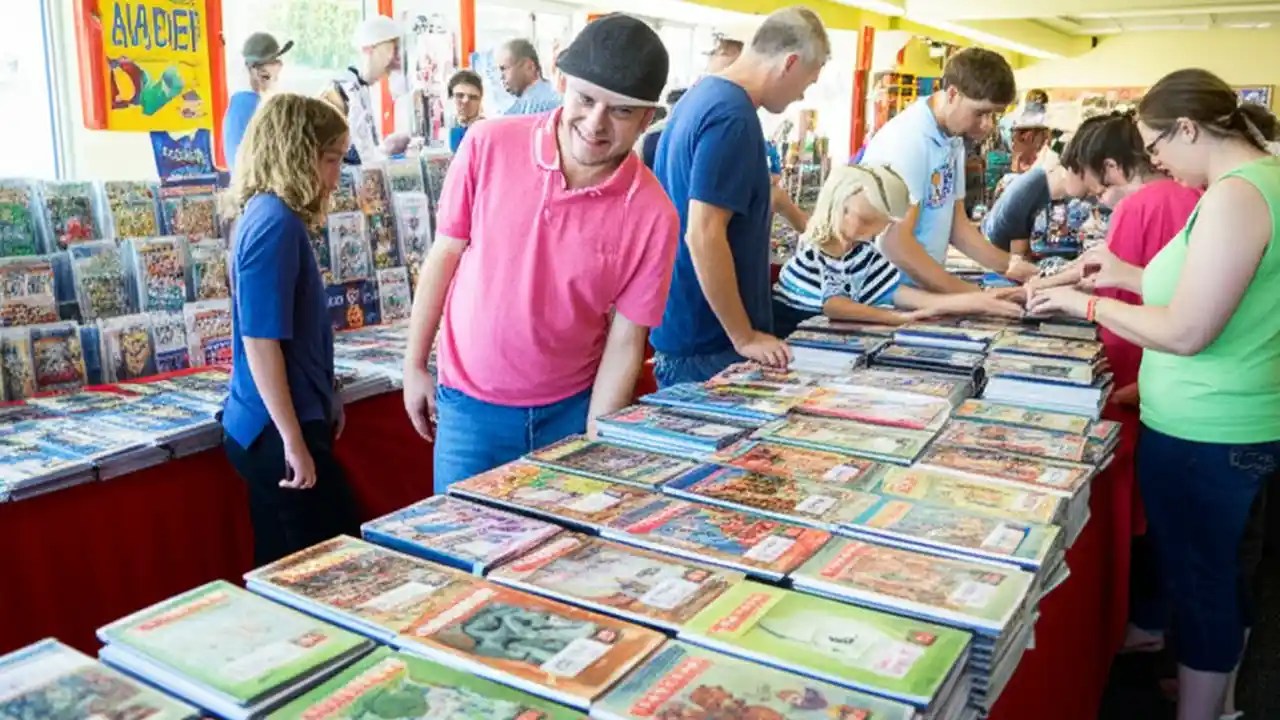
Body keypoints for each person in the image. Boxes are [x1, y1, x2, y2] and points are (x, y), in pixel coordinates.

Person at [1028, 68, 1280, 720]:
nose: (1156, 159)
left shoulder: (1235, 196)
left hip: (1208, 430)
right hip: (1234, 421)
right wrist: (1125, 273)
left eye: (1159, 142)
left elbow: (1189, 327)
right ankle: (1221, 700)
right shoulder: (1256, 185)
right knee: (1223, 578)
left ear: (1190, 127)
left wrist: (1088, 307)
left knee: (1201, 588)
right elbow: (1213, 293)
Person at [401, 14, 679, 493]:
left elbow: (626, 340)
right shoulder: (487, 144)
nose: (595, 124)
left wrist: (597, 440)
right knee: (457, 560)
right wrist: (412, 365)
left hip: (569, 413)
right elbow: (444, 255)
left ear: (647, 119)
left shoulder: (655, 214)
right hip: (467, 409)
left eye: (620, 111)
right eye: (586, 99)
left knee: (560, 558)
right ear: (563, 83)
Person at [649, 7, 830, 388]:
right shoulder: (732, 115)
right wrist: (743, 335)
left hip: (693, 332)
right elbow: (702, 234)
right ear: (789, 63)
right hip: (709, 342)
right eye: (807, 83)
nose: (800, 96)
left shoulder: (701, 98)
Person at [221, 94, 356, 566]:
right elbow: (260, 341)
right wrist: (293, 441)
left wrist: (326, 395)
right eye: (330, 159)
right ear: (297, 154)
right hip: (273, 427)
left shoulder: (268, 216)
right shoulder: (274, 222)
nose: (337, 177)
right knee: (326, 562)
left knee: (289, 560)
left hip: (284, 418)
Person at [860, 48, 1039, 292]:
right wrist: (970, 295)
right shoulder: (908, 141)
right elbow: (894, 242)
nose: (987, 125)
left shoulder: (952, 138)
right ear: (953, 94)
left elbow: (957, 225)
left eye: (994, 115)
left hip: (923, 288)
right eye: (980, 113)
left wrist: (1011, 265)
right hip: (890, 294)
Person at [772, 164, 1024, 337]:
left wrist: (981, 300)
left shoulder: (863, 256)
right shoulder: (813, 254)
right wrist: (898, 319)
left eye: (878, 226)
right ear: (839, 206)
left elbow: (908, 296)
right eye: (864, 220)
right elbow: (836, 306)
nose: (870, 233)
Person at [319, 15, 410, 165]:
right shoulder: (339, 91)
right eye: (391, 50)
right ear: (368, 49)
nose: (395, 60)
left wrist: (385, 150)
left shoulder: (362, 90)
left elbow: (361, 148)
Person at [982, 156, 1091, 258]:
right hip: (999, 247)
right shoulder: (1033, 186)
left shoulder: (1042, 182)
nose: (1092, 193)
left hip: (1003, 240)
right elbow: (1019, 254)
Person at [222, 32, 292, 169]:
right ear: (256, 70)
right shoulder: (252, 106)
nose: (279, 66)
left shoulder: (241, 101)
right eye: (274, 62)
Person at [497, 39, 561, 116]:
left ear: (529, 66)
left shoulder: (539, 104)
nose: (501, 77)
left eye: (504, 68)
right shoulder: (555, 96)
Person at [446, 69, 485, 152]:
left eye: (473, 97)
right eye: (459, 96)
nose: (465, 101)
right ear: (450, 99)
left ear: (480, 101)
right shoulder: (446, 132)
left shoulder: (486, 132)